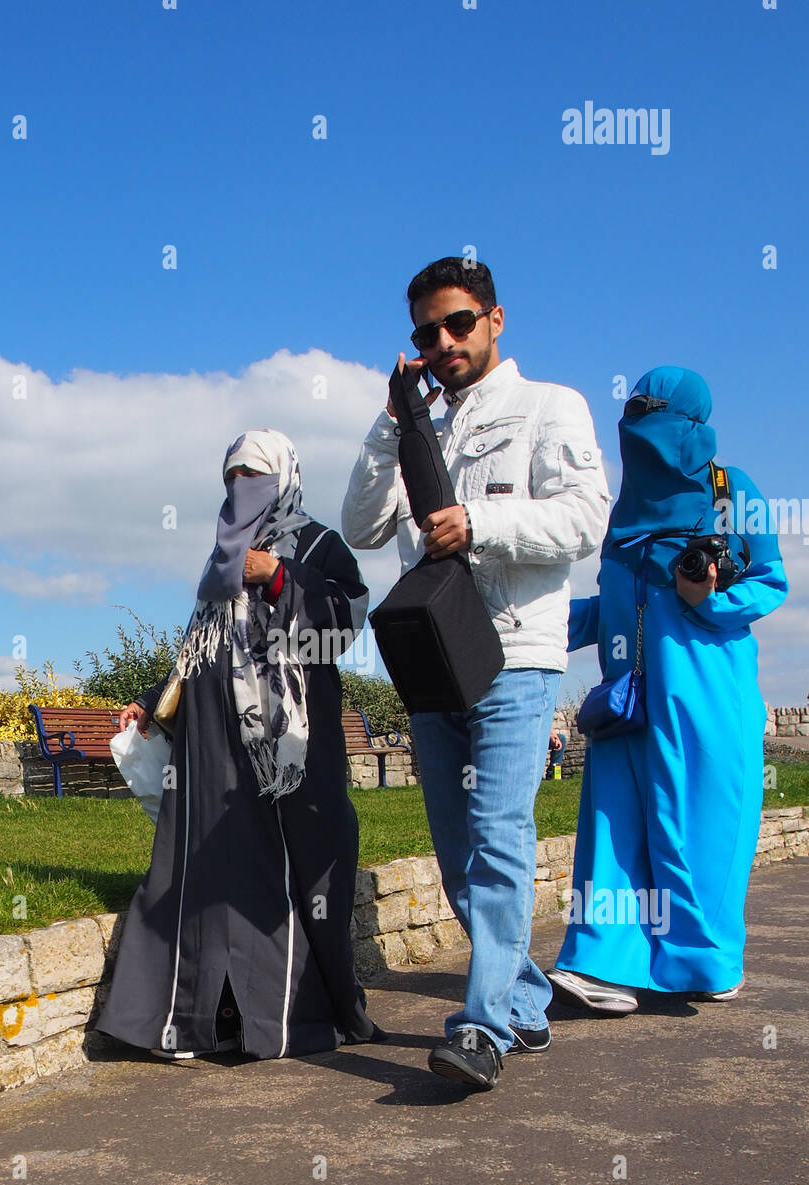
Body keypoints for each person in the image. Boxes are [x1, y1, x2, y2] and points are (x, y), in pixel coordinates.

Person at [342, 257, 609, 1090]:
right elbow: (359, 522)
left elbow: (585, 517)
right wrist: (392, 422)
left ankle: (482, 1027)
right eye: (426, 332)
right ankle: (525, 1001)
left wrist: (481, 522)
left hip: (516, 653)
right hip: (434, 660)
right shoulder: (420, 422)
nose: (444, 341)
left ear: (496, 319)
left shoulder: (549, 406)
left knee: (498, 835)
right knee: (457, 852)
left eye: (459, 323)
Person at [97, 429, 381, 1060]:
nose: (239, 488)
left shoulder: (317, 542)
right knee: (199, 868)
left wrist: (279, 576)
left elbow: (344, 626)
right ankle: (192, 1017)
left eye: (254, 474)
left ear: (284, 475)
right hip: (210, 741)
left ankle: (289, 1017)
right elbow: (203, 647)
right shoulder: (221, 554)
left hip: (286, 749)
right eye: (230, 476)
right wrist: (150, 699)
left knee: (281, 870)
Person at [548, 368, 788, 1013]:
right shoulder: (622, 512)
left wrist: (708, 596)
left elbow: (771, 582)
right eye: (634, 415)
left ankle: (704, 965)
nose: (644, 433)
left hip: (707, 693)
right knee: (613, 824)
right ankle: (604, 962)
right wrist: (543, 625)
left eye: (659, 416)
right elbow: (618, 603)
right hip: (625, 694)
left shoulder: (735, 491)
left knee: (700, 830)